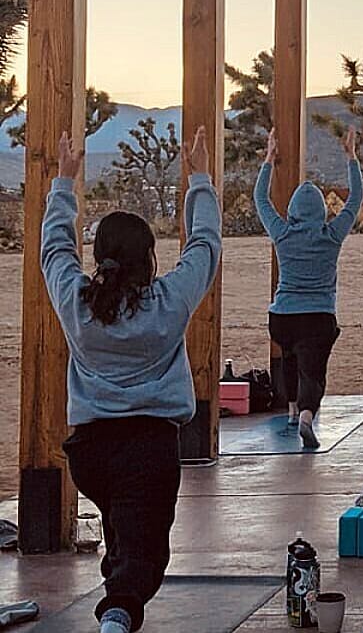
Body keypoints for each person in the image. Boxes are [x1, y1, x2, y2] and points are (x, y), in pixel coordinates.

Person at [43, 127, 221, 633]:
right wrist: (200, 178)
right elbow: (206, 246)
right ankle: (118, 615)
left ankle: (115, 597)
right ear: (149, 259)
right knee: (143, 557)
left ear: (99, 258)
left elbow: (54, 250)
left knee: (122, 532)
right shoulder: (167, 303)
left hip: (90, 454)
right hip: (149, 450)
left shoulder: (78, 304)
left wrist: (64, 181)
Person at [256, 126, 363, 449]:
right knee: (313, 372)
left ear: (291, 212)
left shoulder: (282, 233)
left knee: (289, 356)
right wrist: (351, 158)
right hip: (317, 316)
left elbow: (260, 198)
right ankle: (306, 415)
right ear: (321, 211)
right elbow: (355, 200)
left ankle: (290, 410)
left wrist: (269, 160)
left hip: (282, 318)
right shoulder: (331, 235)